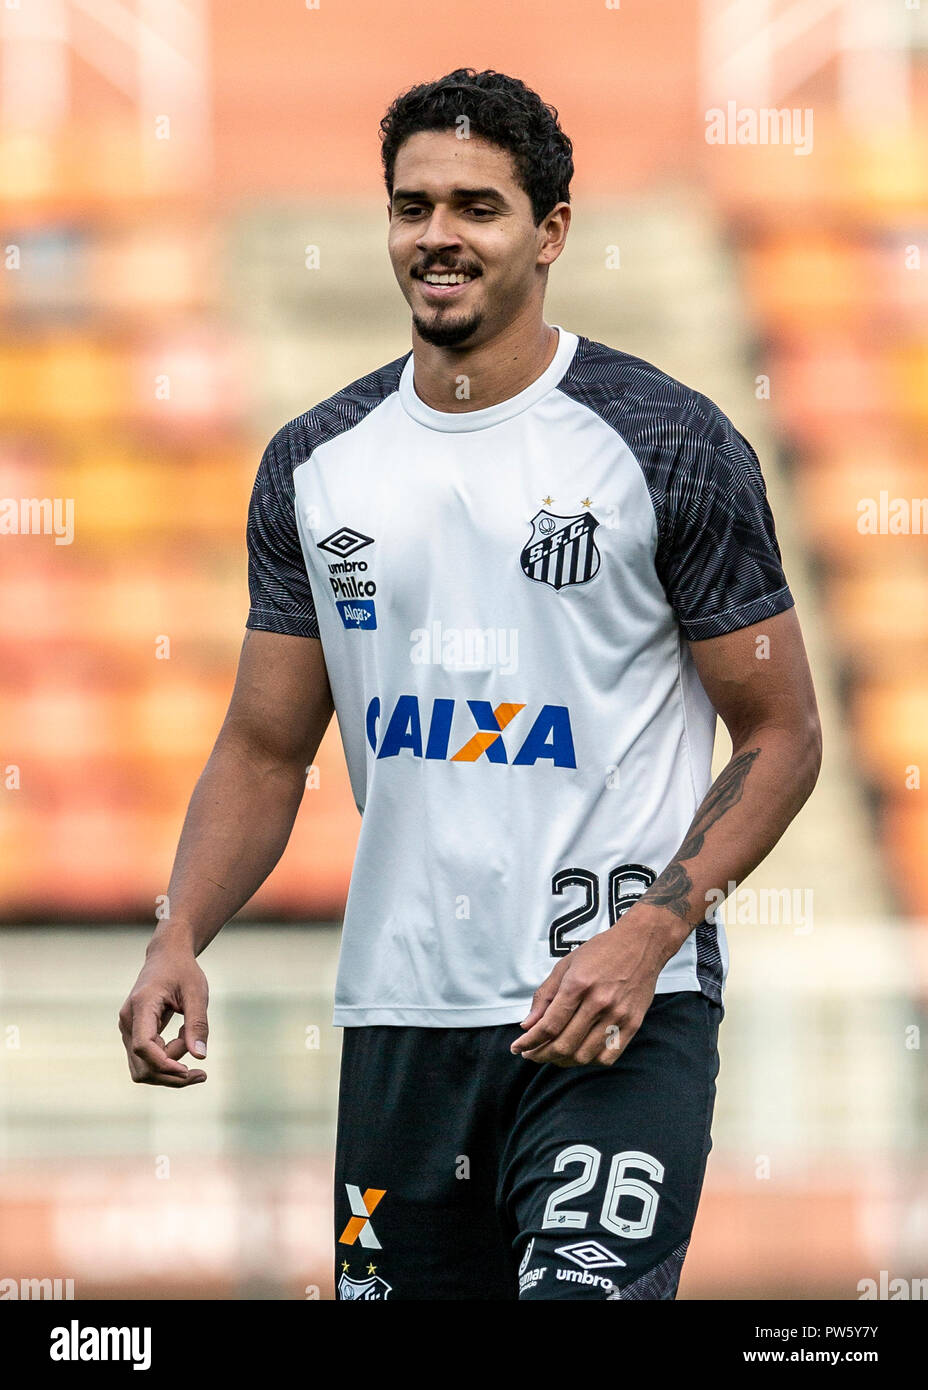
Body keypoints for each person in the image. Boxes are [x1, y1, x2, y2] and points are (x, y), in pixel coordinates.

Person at [119, 68, 822, 1301]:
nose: (437, 236)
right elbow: (264, 746)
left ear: (549, 231)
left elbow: (783, 731)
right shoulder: (314, 463)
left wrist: (655, 929)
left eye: (477, 208)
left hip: (613, 1010)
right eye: (412, 206)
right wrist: (179, 926)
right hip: (402, 1016)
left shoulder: (666, 442)